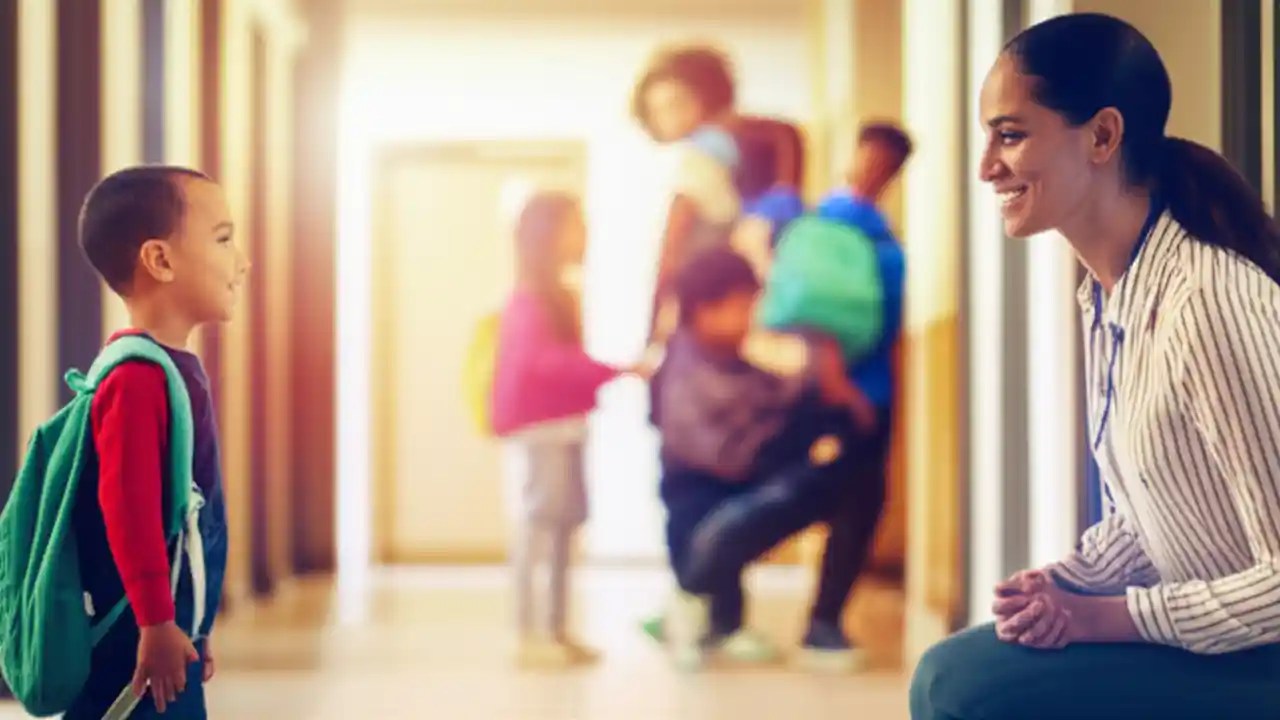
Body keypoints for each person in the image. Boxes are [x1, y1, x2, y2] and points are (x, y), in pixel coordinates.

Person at [911, 13, 1280, 719]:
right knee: (952, 673)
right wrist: (1063, 583)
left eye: (1009, 135)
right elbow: (1159, 514)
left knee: (964, 689)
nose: (987, 166)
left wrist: (1105, 617)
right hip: (1209, 644)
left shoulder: (1207, 303)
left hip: (1262, 655)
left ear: (1103, 136)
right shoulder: (1108, 296)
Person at [66, 166, 246, 718]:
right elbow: (130, 510)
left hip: (169, 624)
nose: (242, 260)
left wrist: (195, 622)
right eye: (223, 238)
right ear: (160, 260)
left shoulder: (172, 369)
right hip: (136, 637)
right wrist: (156, 622)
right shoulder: (137, 379)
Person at [651, 246, 867, 671]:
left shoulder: (730, 364)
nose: (751, 317)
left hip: (728, 504)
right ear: (703, 310)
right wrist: (794, 439)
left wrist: (825, 387)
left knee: (850, 465)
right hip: (702, 527)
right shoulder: (680, 375)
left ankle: (798, 624)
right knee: (811, 463)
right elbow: (731, 458)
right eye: (741, 307)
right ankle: (691, 599)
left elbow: (776, 400)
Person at [490, 191, 643, 668]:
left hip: (567, 427)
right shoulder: (529, 301)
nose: (585, 235)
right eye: (576, 225)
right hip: (543, 431)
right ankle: (529, 633)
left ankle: (554, 628)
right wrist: (610, 370)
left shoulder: (558, 296)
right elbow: (541, 365)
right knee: (540, 526)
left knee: (562, 529)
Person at [792, 121, 912, 671]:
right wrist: (840, 385)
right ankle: (816, 623)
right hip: (846, 392)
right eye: (870, 156)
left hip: (874, 388)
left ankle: (825, 620)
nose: (875, 169)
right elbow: (819, 311)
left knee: (861, 506)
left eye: (888, 164)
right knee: (824, 500)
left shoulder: (876, 227)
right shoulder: (833, 220)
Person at [631, 43, 742, 342]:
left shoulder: (696, 158)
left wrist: (656, 314)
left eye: (676, 104)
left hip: (703, 297)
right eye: (657, 110)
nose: (668, 118)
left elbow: (673, 240)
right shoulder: (716, 152)